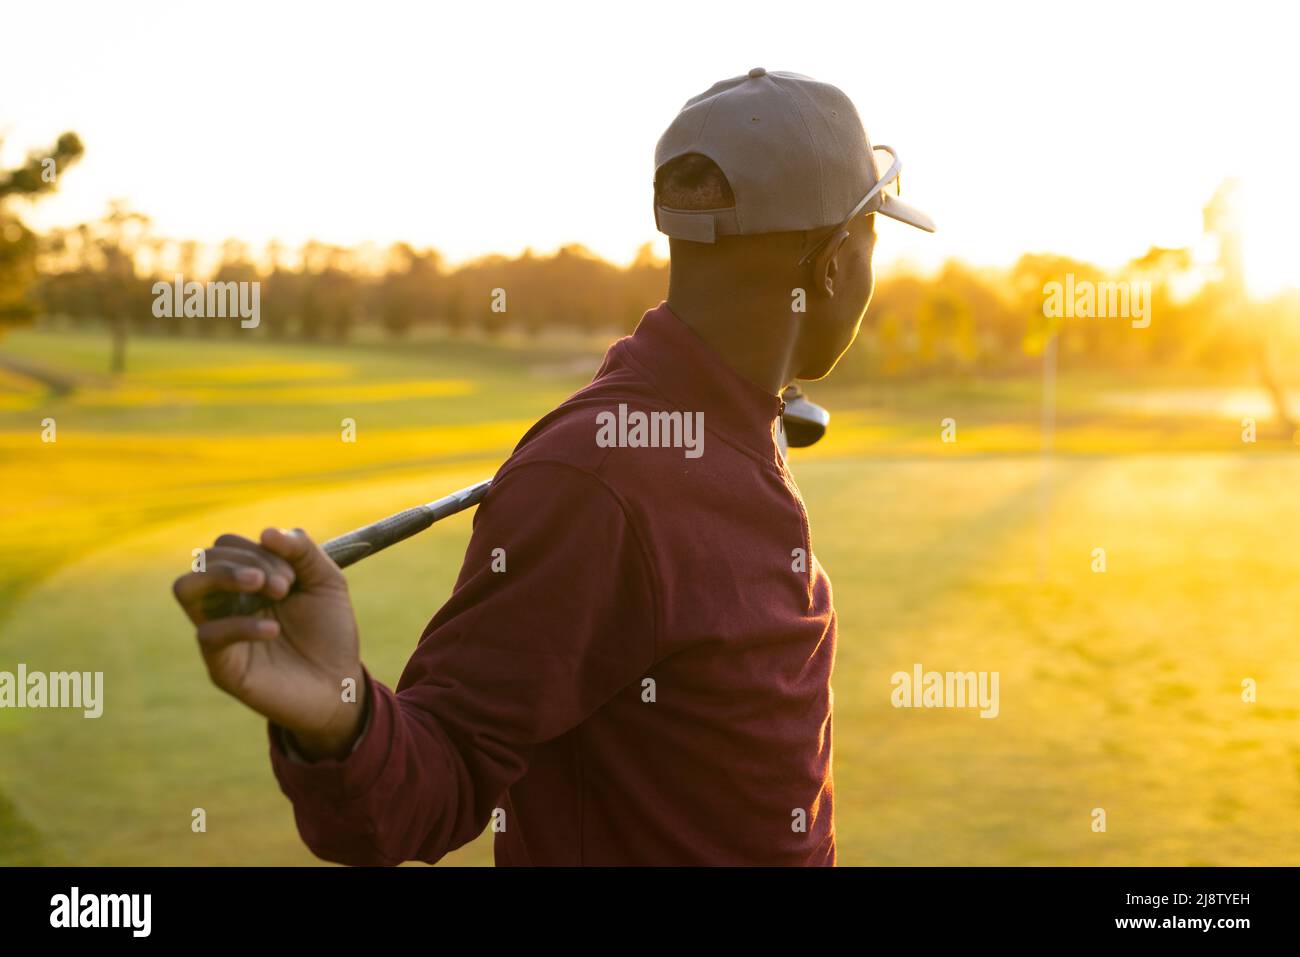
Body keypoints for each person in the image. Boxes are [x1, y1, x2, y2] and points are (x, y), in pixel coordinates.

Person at [171, 68, 933, 865]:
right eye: (873, 238)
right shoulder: (593, 481)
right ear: (835, 266)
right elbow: (445, 770)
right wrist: (339, 712)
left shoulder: (720, 423)